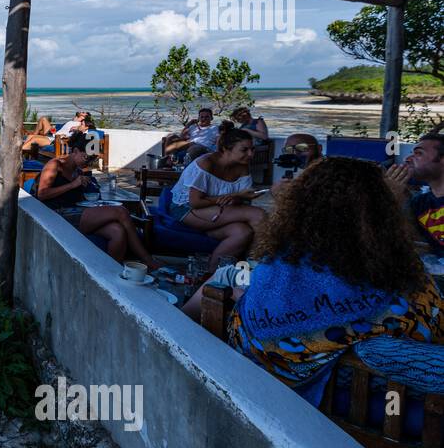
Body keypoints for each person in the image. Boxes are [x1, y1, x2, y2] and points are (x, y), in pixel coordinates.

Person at [215, 156, 444, 405]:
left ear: (301, 205)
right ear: (383, 212)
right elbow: (428, 320)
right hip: (383, 400)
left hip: (276, 385)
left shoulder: (281, 263)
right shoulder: (391, 265)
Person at [34, 132, 161, 269]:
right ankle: (146, 259)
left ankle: (111, 273)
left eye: (91, 159)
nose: (88, 162)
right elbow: (42, 194)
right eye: (86, 157)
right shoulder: (55, 164)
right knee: (121, 212)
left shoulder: (78, 171)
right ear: (75, 151)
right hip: (56, 215)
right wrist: (73, 185)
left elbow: (77, 198)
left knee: (117, 231)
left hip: (75, 213)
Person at [166, 128, 264, 264]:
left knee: (242, 232)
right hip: (187, 209)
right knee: (258, 215)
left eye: (252, 149)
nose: (250, 154)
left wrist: (238, 198)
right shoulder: (206, 163)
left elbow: (240, 201)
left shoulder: (243, 166)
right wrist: (234, 195)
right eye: (244, 150)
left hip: (214, 211)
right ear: (226, 149)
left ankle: (212, 277)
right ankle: (258, 266)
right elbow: (195, 202)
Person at [386, 132, 444, 255]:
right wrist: (393, 199)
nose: (406, 159)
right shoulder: (420, 203)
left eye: (418, 153)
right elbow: (409, 239)